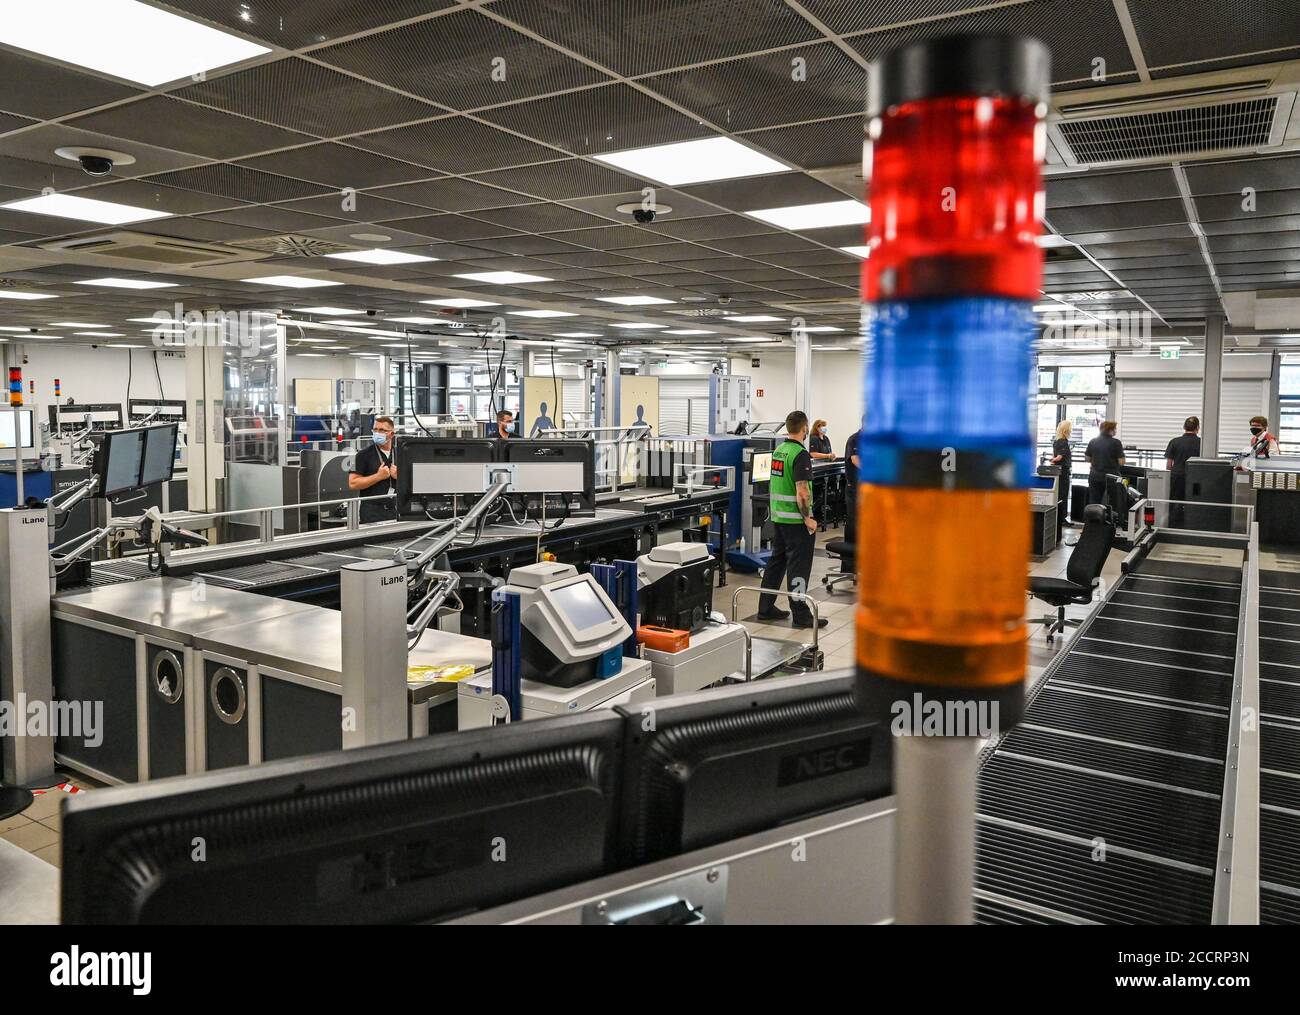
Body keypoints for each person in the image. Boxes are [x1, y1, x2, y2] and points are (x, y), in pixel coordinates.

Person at [758, 410, 827, 629]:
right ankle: (801, 614)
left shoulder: (779, 451)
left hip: (779, 518)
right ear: (805, 428)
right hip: (796, 522)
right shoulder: (800, 454)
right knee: (799, 568)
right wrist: (808, 518)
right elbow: (803, 492)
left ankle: (765, 607)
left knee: (776, 564)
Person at [349, 416, 398, 523]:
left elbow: (414, 482)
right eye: (375, 430)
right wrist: (378, 476)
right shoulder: (361, 455)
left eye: (382, 430)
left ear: (391, 434)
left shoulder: (402, 453)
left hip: (396, 510)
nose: (377, 433)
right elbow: (352, 483)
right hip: (372, 513)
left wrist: (400, 477)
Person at [1164, 415, 1200, 527]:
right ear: (1197, 428)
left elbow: (1169, 465)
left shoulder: (1174, 441)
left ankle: (1174, 525)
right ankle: (1192, 526)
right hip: (1196, 479)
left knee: (1175, 502)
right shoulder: (1202, 443)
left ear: (1184, 427)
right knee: (1195, 502)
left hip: (1177, 476)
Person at [1084, 419, 1125, 512]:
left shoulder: (1093, 441)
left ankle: (1093, 522)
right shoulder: (1116, 443)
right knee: (1113, 501)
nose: (1115, 431)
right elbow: (1121, 461)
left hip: (1094, 476)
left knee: (1094, 501)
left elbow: (1087, 458)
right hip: (1111, 477)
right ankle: (1111, 521)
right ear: (1110, 430)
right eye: (1115, 429)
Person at [1051, 419, 1073, 541]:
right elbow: (1059, 457)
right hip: (1063, 472)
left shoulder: (1056, 441)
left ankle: (1061, 517)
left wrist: (1053, 459)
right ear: (1066, 430)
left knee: (1060, 495)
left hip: (1059, 471)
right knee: (1063, 495)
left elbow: (1056, 456)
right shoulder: (1063, 442)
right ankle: (1062, 518)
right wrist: (1054, 460)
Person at [844, 424, 861, 547]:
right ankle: (848, 558)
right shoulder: (854, 439)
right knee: (853, 520)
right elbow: (855, 460)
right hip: (854, 486)